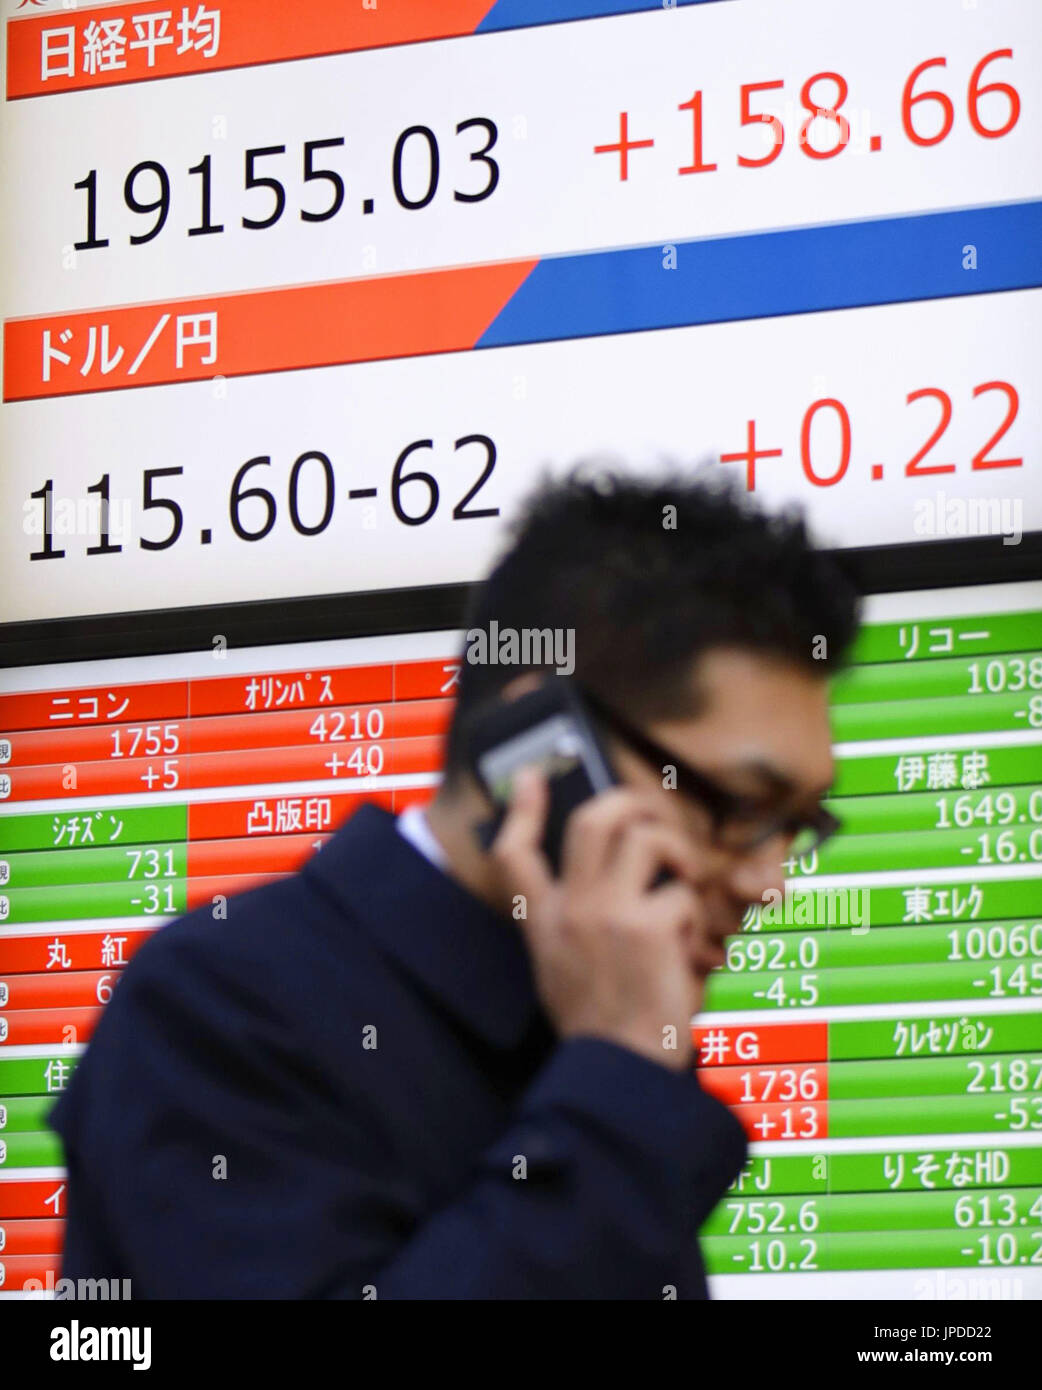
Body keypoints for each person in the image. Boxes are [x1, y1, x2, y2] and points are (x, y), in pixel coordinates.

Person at [49, 467, 861, 1299]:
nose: (770, 881)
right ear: (542, 747)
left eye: (800, 825)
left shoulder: (587, 1019)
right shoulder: (219, 1008)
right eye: (743, 806)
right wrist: (615, 1079)